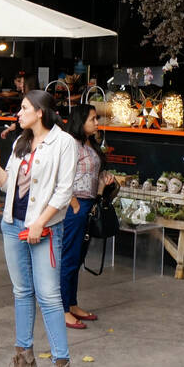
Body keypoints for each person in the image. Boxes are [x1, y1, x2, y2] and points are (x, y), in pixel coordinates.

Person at [0, 89, 76, 367]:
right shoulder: (20, 142)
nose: (18, 113)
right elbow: (6, 185)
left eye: (24, 108)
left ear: (40, 111)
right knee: (21, 292)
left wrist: (41, 222)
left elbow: (64, 191)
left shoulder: (63, 142)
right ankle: (23, 362)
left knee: (50, 296)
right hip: (13, 225)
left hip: (46, 229)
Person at [60, 103, 116, 328]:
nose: (96, 122)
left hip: (88, 204)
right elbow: (62, 178)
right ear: (80, 121)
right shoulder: (69, 145)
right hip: (74, 206)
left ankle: (72, 303)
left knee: (78, 256)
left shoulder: (89, 144)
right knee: (69, 257)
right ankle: (62, 309)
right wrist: (73, 204)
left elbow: (94, 172)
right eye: (92, 119)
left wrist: (104, 180)